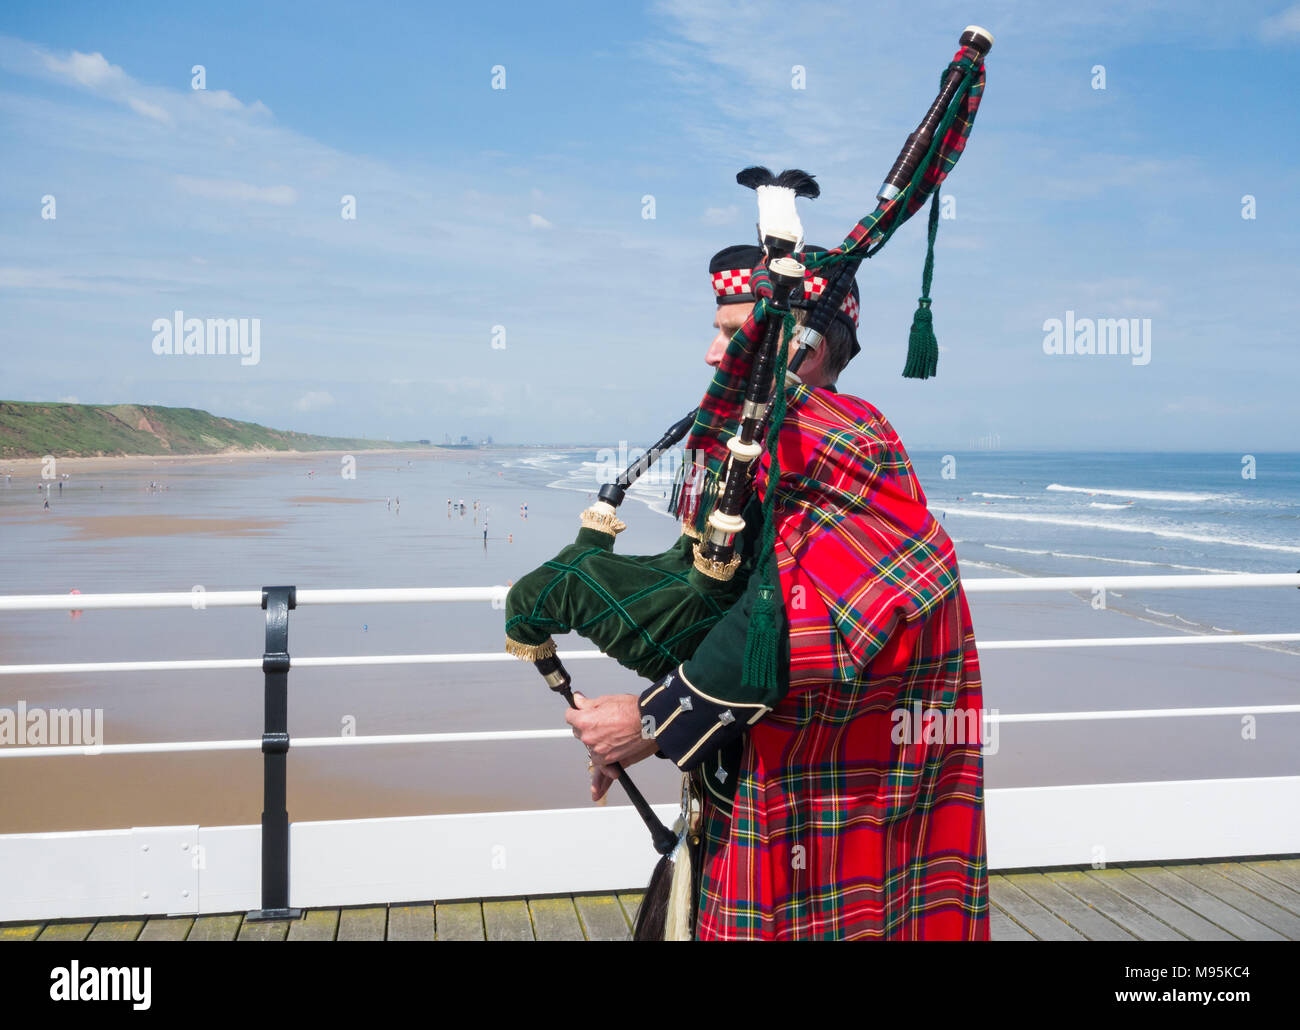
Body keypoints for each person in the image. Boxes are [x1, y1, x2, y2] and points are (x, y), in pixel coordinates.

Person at [565, 243, 989, 940]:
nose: (711, 354)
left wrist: (649, 719)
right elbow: (722, 605)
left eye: (735, 333)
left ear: (805, 349)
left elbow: (809, 620)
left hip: (826, 806)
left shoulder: (844, 443)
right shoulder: (765, 453)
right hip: (756, 790)